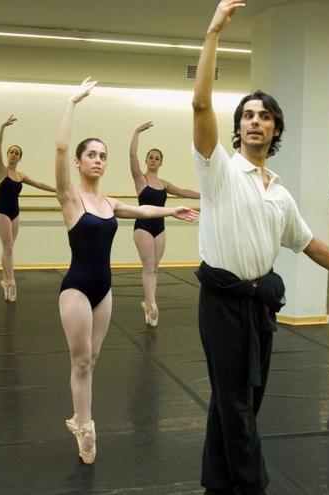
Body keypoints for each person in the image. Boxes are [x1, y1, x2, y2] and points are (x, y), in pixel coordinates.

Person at [191, 2, 329, 493]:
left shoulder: (278, 189)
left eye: (264, 117)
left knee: (244, 397)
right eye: (247, 116)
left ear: (275, 130)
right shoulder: (218, 171)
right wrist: (213, 33)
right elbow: (199, 107)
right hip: (222, 302)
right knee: (234, 401)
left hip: (259, 304)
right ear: (238, 128)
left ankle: (217, 481)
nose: (255, 122)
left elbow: (308, 242)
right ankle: (252, 486)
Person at [54, 78, 198, 464]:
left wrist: (172, 210)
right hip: (77, 290)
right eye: (92, 155)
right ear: (79, 162)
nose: (98, 160)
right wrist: (72, 103)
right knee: (81, 361)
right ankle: (84, 424)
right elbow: (61, 145)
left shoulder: (109, 201)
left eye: (103, 155)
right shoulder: (70, 198)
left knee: (94, 357)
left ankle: (80, 417)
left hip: (104, 289)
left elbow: (144, 210)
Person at [129, 121, 200, 326]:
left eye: (157, 158)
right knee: (148, 266)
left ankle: (148, 301)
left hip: (159, 228)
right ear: (146, 160)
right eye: (150, 157)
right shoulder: (140, 179)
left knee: (155, 267)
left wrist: (206, 195)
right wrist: (136, 132)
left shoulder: (164, 184)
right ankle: (151, 304)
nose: (153, 160)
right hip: (143, 226)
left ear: (161, 163)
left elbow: (184, 192)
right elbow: (132, 156)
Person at [0, 114, 56, 301]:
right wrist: (2, 127)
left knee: (9, 248)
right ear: (7, 155)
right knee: (8, 246)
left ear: (20, 157)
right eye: (11, 152)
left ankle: (6, 280)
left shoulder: (20, 175)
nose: (13, 154)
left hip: (15, 212)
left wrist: (58, 190)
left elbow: (39, 184)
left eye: (16, 153)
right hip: (1, 211)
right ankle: (11, 282)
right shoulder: (1, 171)